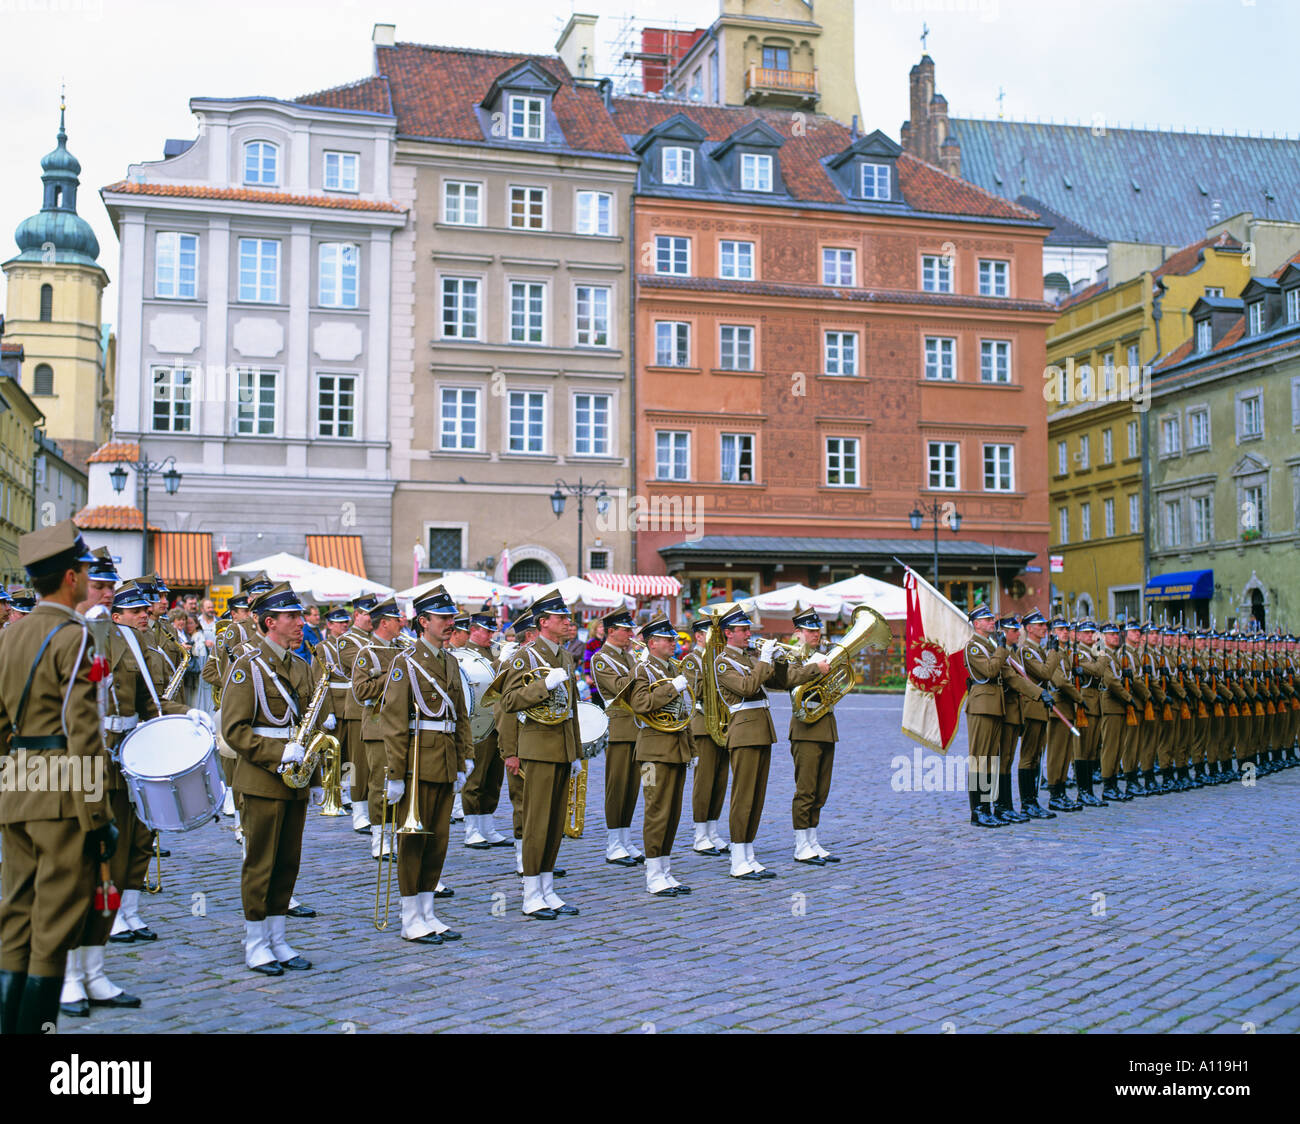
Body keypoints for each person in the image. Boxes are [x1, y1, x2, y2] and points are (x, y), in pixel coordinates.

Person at [0, 521, 115, 1034]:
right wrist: (99, 816)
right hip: (64, 792)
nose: (90, 579)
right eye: (87, 571)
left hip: (17, 787)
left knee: (15, 917)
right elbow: (83, 733)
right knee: (53, 927)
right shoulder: (74, 637)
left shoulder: (13, 632)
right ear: (70, 577)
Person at [60, 581, 194, 1018]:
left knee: (130, 844)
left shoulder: (136, 645)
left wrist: (183, 716)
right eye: (97, 585)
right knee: (84, 862)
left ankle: (104, 949)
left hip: (128, 754)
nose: (144, 614)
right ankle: (68, 974)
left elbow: (147, 703)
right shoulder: (73, 635)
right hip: (84, 761)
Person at [220, 582, 334, 975]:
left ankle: (278, 937)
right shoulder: (246, 667)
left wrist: (315, 774)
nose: (300, 623)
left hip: (295, 781)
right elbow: (234, 730)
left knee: (288, 862)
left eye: (300, 616)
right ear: (270, 622)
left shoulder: (301, 665)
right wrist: (276, 752)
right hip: (261, 779)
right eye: (292, 617)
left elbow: (308, 723)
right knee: (261, 863)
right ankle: (255, 941)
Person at [377, 585, 469, 944]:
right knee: (414, 843)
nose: (450, 624)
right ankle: (409, 916)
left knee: (439, 842)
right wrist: (396, 774)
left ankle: (428, 911)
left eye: (451, 618)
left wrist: (465, 759)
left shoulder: (450, 661)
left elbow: (460, 715)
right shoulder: (405, 663)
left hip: (444, 759)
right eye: (443, 618)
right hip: (417, 763)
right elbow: (395, 721)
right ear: (423, 621)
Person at [499, 589, 581, 919]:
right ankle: (531, 893)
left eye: (567, 618)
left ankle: (547, 887)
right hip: (538, 748)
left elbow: (571, 710)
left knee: (554, 822)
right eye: (561, 618)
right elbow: (508, 702)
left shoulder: (565, 656)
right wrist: (543, 686)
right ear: (544, 622)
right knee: (536, 821)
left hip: (560, 747)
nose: (568, 623)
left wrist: (574, 752)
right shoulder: (525, 657)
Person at [623, 613, 694, 896]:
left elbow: (683, 712)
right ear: (652, 642)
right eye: (667, 639)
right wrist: (670, 688)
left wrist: (693, 748)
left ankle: (665, 869)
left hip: (676, 748)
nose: (673, 643)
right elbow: (640, 703)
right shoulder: (643, 671)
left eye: (673, 639)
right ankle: (653, 873)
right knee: (656, 810)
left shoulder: (670, 669)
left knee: (673, 812)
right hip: (653, 751)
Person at [712, 603, 780, 877]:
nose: (749, 633)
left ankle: (748, 852)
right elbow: (748, 687)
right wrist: (764, 658)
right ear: (728, 633)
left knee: (757, 796)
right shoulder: (723, 662)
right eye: (743, 629)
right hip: (744, 732)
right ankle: (738, 857)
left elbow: (777, 681)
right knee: (743, 796)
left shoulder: (748, 658)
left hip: (761, 731)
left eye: (748, 628)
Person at [776, 606, 836, 861]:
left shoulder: (824, 656)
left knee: (821, 789)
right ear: (798, 632)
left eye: (818, 629)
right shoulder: (791, 657)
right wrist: (816, 669)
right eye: (811, 630)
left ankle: (812, 840)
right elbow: (788, 680)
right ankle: (801, 844)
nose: (816, 634)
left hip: (825, 725)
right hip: (805, 728)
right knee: (806, 789)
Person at [350, 598, 407, 862]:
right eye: (397, 619)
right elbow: (361, 692)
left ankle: (397, 833)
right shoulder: (367, 653)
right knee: (379, 783)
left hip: (402, 724)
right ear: (384, 623)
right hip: (377, 726)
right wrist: (392, 674)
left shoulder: (402, 649)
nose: (402, 623)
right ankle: (380, 839)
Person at [589, 607, 644, 868]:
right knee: (618, 787)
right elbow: (622, 687)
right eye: (626, 630)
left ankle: (624, 837)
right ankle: (613, 842)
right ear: (612, 631)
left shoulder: (628, 656)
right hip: (620, 730)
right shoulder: (602, 658)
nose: (631, 634)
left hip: (638, 729)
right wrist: (642, 666)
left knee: (633, 788)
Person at [459, 608, 513, 851]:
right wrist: (500, 661)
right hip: (478, 722)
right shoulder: (463, 653)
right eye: (487, 631)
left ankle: (487, 825)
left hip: (497, 722)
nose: (491, 635)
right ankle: (471, 829)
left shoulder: (494, 650)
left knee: (494, 778)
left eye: (493, 630)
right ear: (473, 630)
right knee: (476, 777)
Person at [681, 618, 728, 855]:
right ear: (699, 636)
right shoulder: (692, 660)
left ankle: (712, 830)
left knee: (720, 781)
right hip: (702, 724)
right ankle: (700, 834)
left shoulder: (721, 659)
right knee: (705, 780)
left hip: (722, 723)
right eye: (710, 634)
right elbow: (694, 691)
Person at [337, 596, 378, 834]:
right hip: (357, 707)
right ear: (356, 615)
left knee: (374, 762)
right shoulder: (347, 641)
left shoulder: (374, 640)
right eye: (368, 613)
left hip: (378, 707)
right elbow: (361, 666)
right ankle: (359, 811)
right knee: (355, 762)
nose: (372, 618)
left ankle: (371, 807)